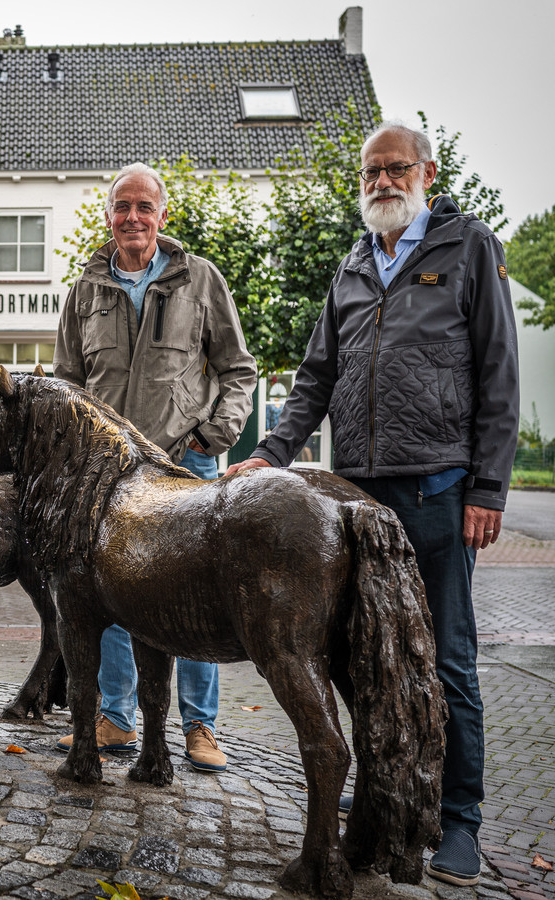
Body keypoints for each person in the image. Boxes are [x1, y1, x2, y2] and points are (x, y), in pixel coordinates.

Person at [228, 122, 519, 886]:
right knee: (364, 658)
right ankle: (386, 801)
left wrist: (487, 487)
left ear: (425, 173)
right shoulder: (355, 264)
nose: (382, 182)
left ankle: (459, 821)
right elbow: (316, 379)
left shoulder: (467, 248)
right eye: (372, 173)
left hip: (438, 491)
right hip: (355, 498)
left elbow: (498, 374)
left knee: (445, 659)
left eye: (395, 170)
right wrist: (271, 452)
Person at [53, 162, 256, 773]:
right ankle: (115, 719)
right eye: (122, 207)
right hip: (108, 477)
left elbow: (237, 369)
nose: (133, 218)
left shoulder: (201, 279)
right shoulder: (86, 288)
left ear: (162, 216)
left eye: (145, 207)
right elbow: (67, 381)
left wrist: (211, 436)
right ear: (108, 216)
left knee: (191, 597)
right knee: (110, 591)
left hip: (184, 469)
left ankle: (200, 727)